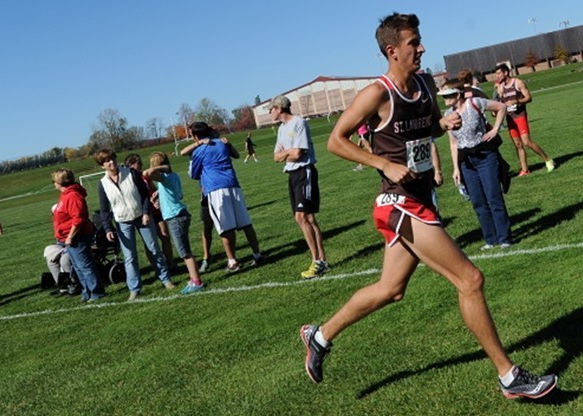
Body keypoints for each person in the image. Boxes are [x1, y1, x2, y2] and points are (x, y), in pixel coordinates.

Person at [300, 12, 557, 400]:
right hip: (396, 202)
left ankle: (319, 336)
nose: (421, 48)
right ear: (392, 51)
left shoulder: (422, 83)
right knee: (470, 280)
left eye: (420, 41)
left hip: (420, 197)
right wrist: (383, 163)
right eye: (413, 43)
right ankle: (508, 376)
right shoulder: (378, 93)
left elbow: (429, 128)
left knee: (390, 289)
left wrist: (445, 123)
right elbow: (336, 140)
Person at [438, 79, 514, 249]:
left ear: (457, 94)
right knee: (478, 202)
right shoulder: (447, 114)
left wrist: (495, 129)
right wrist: (456, 168)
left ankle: (505, 238)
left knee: (494, 197)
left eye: (447, 95)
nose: (445, 99)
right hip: (466, 162)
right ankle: (491, 240)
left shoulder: (475, 103)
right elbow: (453, 143)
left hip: (485, 156)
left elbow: (501, 107)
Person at [181, 122, 265, 272]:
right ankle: (257, 254)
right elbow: (236, 155)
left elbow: (193, 174)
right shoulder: (222, 143)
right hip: (233, 185)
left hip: (215, 189)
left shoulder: (199, 150)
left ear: (195, 136)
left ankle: (232, 261)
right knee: (246, 223)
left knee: (225, 227)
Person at [94, 149, 176, 301]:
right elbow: (104, 209)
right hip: (122, 221)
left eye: (112, 158)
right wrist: (107, 228)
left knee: (154, 249)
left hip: (142, 216)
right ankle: (134, 288)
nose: (111, 163)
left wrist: (146, 212)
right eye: (107, 161)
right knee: (129, 256)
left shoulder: (131, 173)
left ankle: (166, 279)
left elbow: (145, 194)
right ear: (102, 166)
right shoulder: (102, 184)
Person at [270, 95, 330, 279]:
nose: (270, 112)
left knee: (302, 217)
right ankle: (322, 260)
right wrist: (288, 153)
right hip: (292, 174)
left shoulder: (299, 123)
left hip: (305, 172)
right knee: (308, 218)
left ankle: (317, 262)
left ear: (280, 108)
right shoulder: (281, 129)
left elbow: (297, 154)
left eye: (271, 109)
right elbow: (275, 157)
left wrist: (286, 153)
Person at [143, 152, 206, 294]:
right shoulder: (173, 176)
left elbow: (147, 174)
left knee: (184, 253)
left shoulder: (164, 177)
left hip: (176, 217)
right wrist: (159, 195)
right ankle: (193, 278)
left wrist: (159, 167)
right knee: (184, 250)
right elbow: (177, 194)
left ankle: (197, 282)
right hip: (180, 214)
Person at [51, 168, 105, 302]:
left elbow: (78, 218)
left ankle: (96, 292)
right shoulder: (65, 195)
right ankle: (86, 291)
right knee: (77, 267)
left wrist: (70, 236)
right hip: (68, 238)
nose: (54, 184)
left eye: (55, 181)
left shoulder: (72, 195)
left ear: (60, 182)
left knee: (85, 266)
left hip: (77, 237)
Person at [493, 63, 555, 176]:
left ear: (506, 73)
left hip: (520, 116)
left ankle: (547, 160)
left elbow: (529, 98)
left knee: (526, 142)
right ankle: (525, 170)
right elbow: (500, 104)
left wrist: (517, 101)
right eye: (496, 74)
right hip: (510, 118)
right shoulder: (500, 88)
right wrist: (495, 111)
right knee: (518, 144)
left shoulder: (518, 82)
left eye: (499, 73)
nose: (497, 76)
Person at [124, 153, 174, 270]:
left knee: (165, 235)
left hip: (155, 211)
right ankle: (157, 267)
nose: (141, 165)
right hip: (144, 213)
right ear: (131, 165)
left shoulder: (144, 176)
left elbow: (154, 189)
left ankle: (171, 264)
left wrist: (156, 197)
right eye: (139, 164)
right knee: (150, 242)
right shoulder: (128, 180)